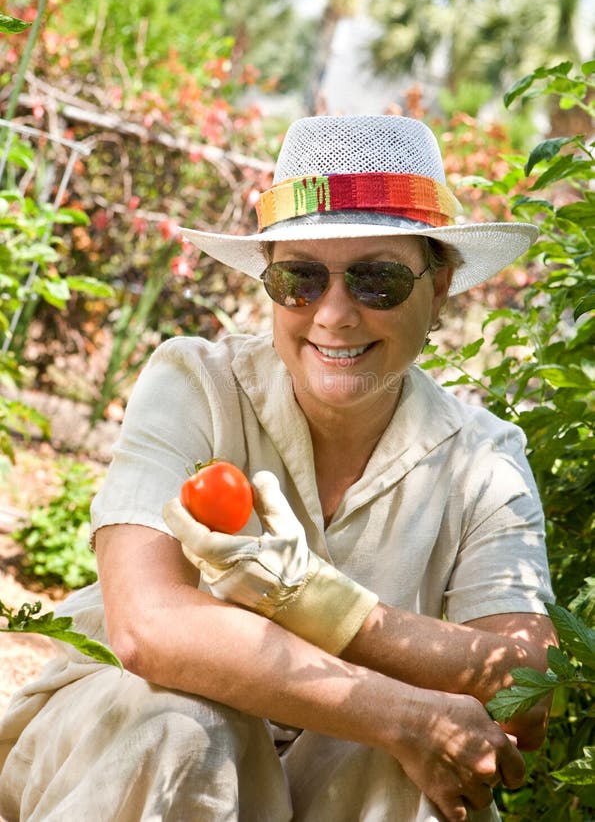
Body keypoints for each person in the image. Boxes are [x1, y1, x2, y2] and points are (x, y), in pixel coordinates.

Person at [0, 115, 556, 822]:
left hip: (331, 776)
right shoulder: (195, 384)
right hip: (119, 747)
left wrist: (320, 603)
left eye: (376, 280)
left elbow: (524, 682)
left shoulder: (482, 461)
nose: (332, 314)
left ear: (439, 284)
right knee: (179, 731)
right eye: (298, 279)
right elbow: (147, 627)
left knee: (413, 772)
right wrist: (405, 711)